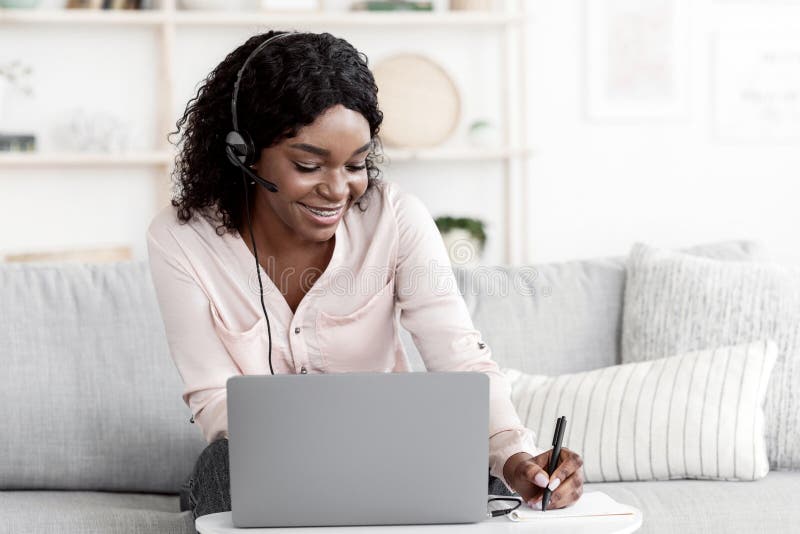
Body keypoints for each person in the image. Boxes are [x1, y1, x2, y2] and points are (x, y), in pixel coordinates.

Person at [146, 30, 584, 523]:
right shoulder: (181, 239)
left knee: (483, 488)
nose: (338, 190)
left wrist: (514, 458)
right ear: (242, 151)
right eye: (308, 165)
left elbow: (459, 355)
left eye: (356, 164)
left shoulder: (395, 218)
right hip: (267, 466)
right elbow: (213, 401)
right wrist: (323, 461)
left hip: (396, 458)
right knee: (221, 472)